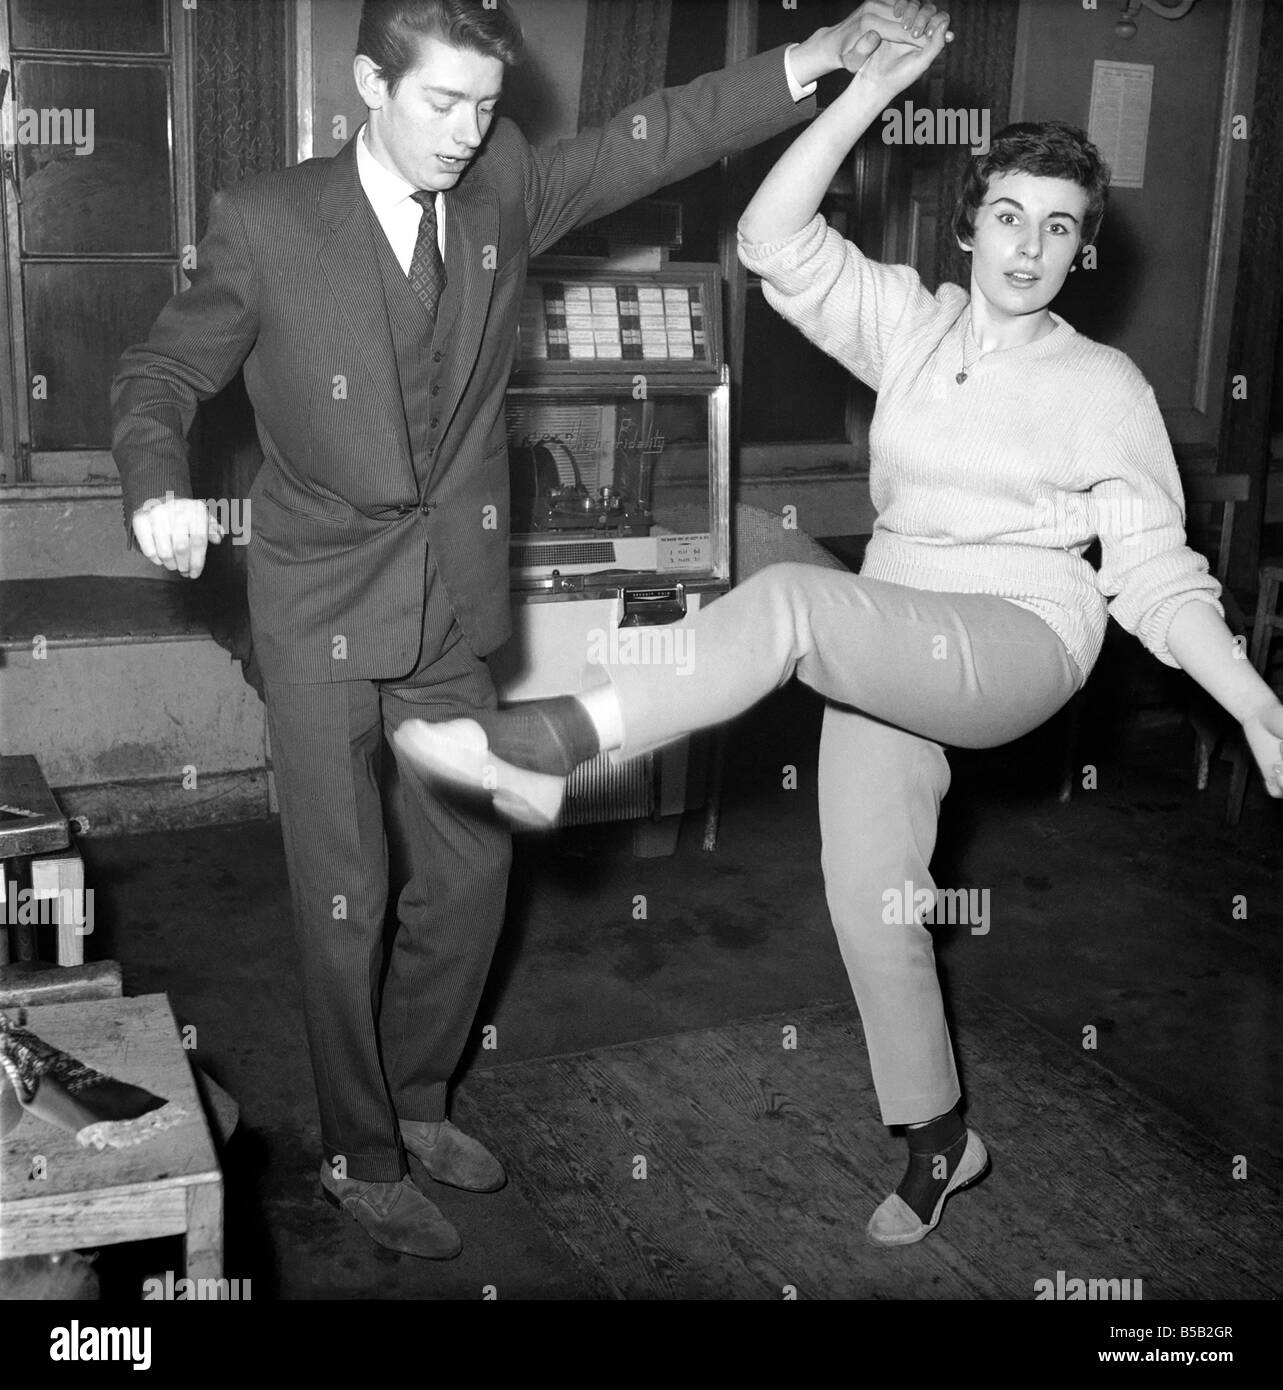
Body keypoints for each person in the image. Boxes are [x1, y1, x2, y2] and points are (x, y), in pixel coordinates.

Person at [393, 0, 1283, 1248]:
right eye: (1009, 216)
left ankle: (551, 741)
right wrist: (864, 85)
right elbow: (769, 238)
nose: (1029, 247)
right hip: (899, 628)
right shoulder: (914, 328)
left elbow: (1154, 567)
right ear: (970, 223)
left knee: (798, 602)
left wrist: (1247, 696)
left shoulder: (1103, 386)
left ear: (1081, 252)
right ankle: (937, 1138)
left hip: (1021, 640)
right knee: (869, 892)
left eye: (1060, 229)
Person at [110, 0, 922, 1261]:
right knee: (346, 893)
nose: (464, 132)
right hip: (319, 602)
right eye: (440, 102)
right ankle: (356, 1150)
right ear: (371, 86)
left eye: (485, 107)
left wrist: (814, 59)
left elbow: (655, 136)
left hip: (448, 604)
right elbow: (158, 375)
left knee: (472, 870)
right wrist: (157, 487)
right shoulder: (269, 223)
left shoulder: (499, 192)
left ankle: (420, 1097)